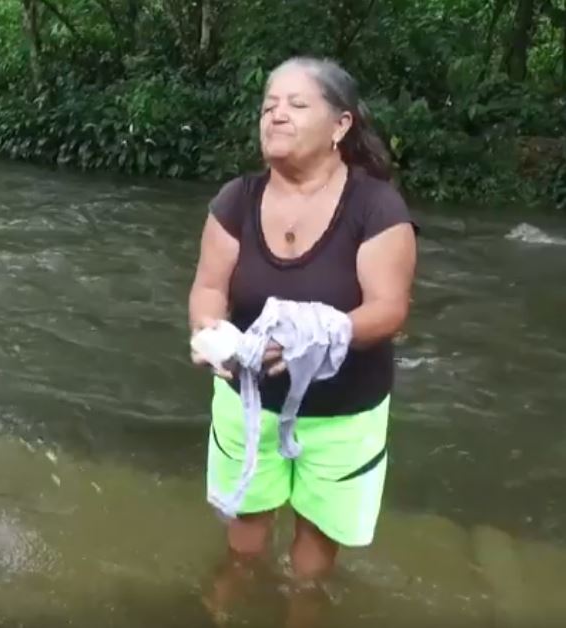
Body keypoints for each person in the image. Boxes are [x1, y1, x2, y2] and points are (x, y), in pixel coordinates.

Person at [187, 57, 417, 623]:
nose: (276, 116)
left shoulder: (376, 206)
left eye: (295, 105)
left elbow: (389, 310)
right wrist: (212, 335)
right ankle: (223, 611)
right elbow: (208, 287)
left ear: (340, 125)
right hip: (248, 398)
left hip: (343, 410)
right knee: (243, 545)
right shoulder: (235, 200)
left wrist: (320, 335)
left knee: (311, 564)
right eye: (268, 106)